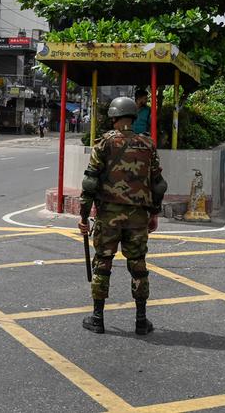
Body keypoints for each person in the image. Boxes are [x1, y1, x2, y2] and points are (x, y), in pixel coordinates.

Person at [78, 96, 167, 335]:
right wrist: (154, 213)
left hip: (108, 215)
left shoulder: (104, 144)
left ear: (114, 117)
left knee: (103, 263)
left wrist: (84, 218)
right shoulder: (147, 144)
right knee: (138, 265)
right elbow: (158, 185)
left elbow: (89, 183)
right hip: (138, 217)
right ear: (133, 117)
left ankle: (97, 318)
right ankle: (141, 320)